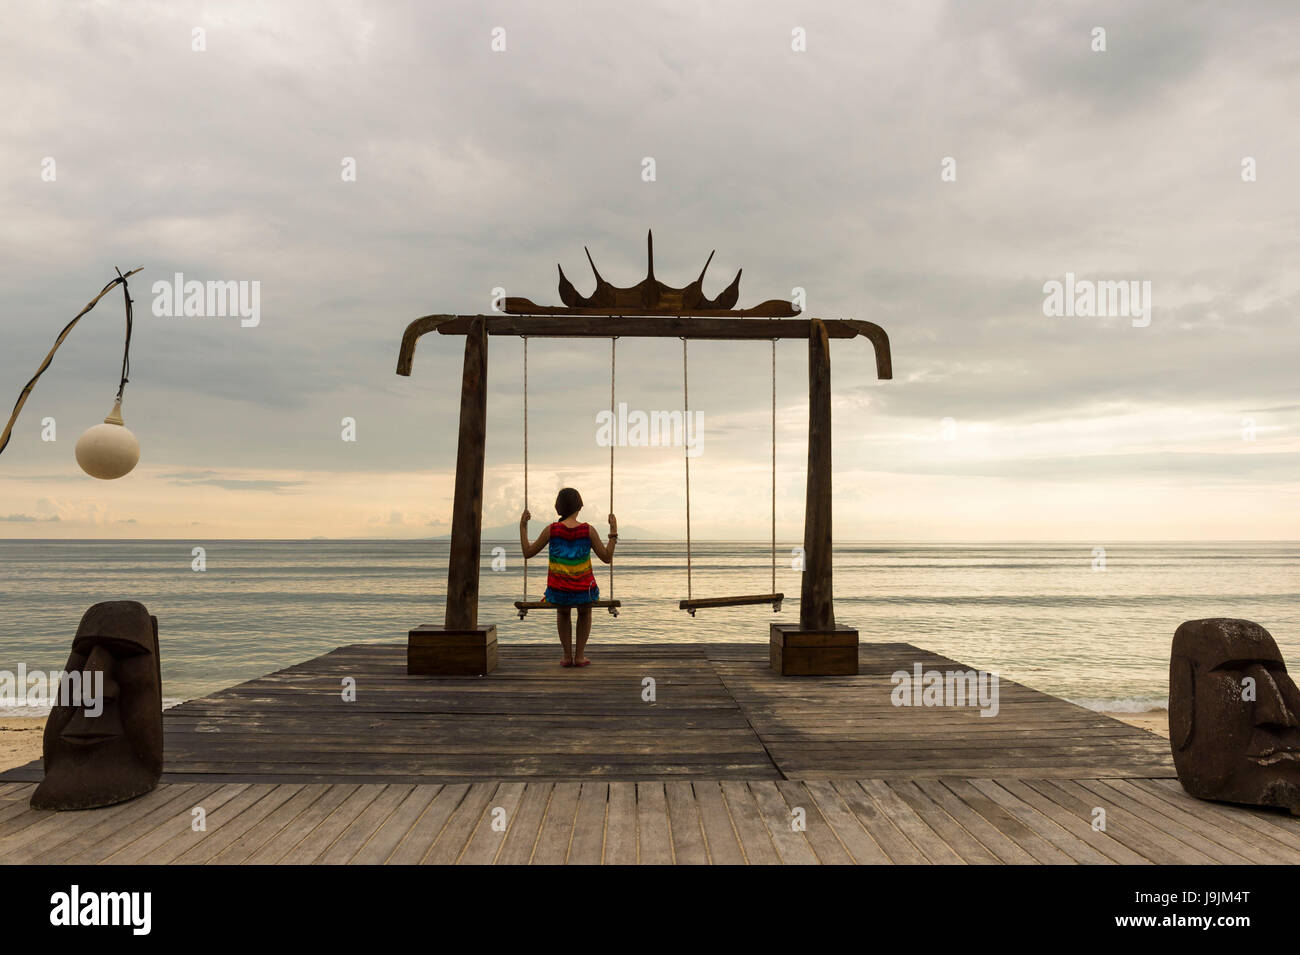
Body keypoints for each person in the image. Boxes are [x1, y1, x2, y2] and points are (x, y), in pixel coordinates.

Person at [520, 487, 616, 668]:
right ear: (580, 507)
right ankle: (579, 656)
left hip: (559, 591)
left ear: (559, 508)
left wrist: (523, 527)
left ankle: (566, 656)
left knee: (563, 612)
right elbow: (606, 557)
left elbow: (527, 552)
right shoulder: (588, 530)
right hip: (584, 591)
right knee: (585, 611)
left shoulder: (552, 530)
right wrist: (613, 531)